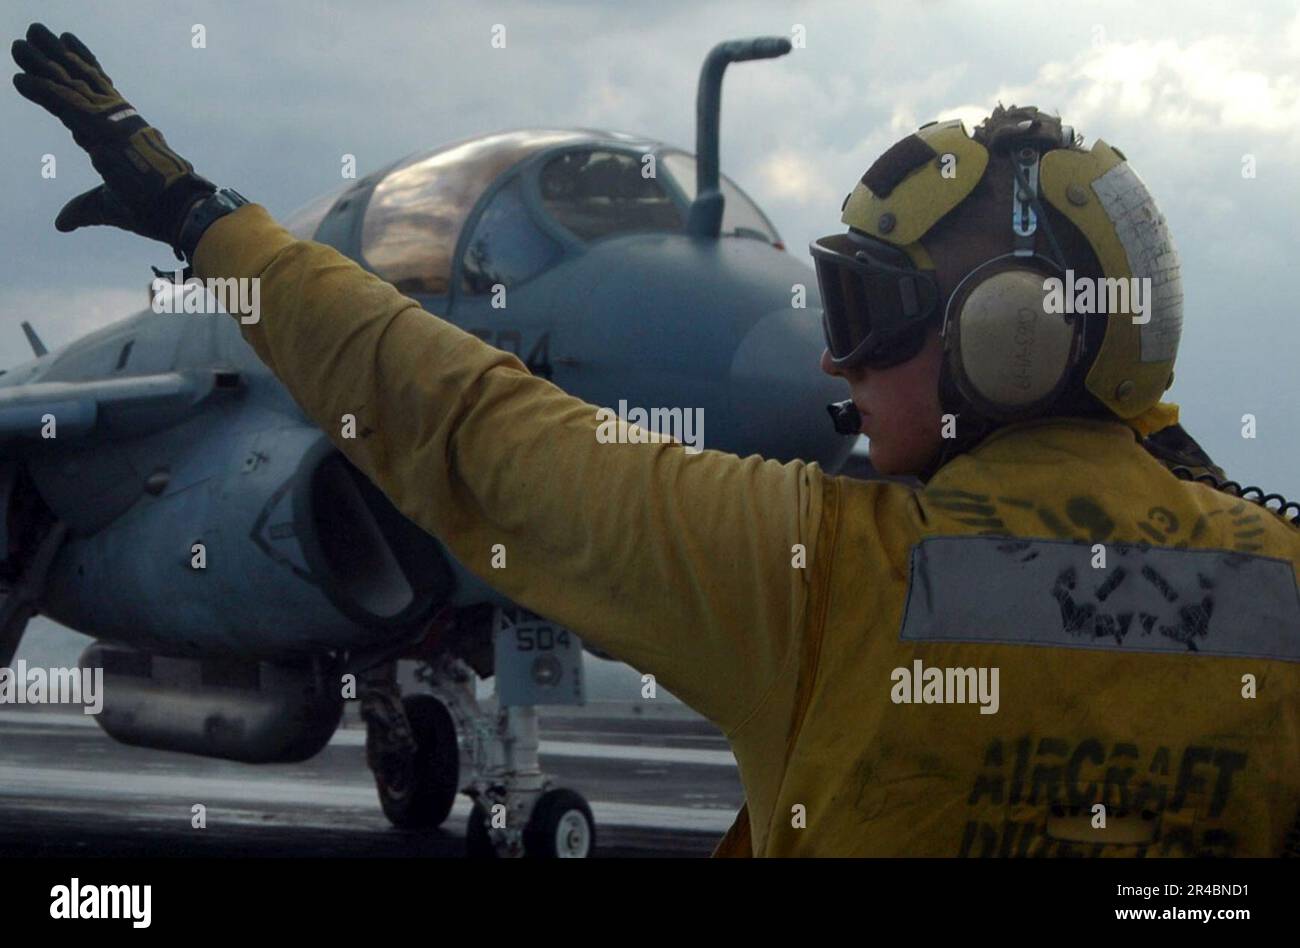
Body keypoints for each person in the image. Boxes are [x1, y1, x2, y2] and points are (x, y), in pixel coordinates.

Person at [13, 23, 1300, 857]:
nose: (828, 360)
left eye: (860, 310)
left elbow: (462, 421)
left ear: (1007, 338)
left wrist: (201, 218)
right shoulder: (1278, 582)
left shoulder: (808, 570)